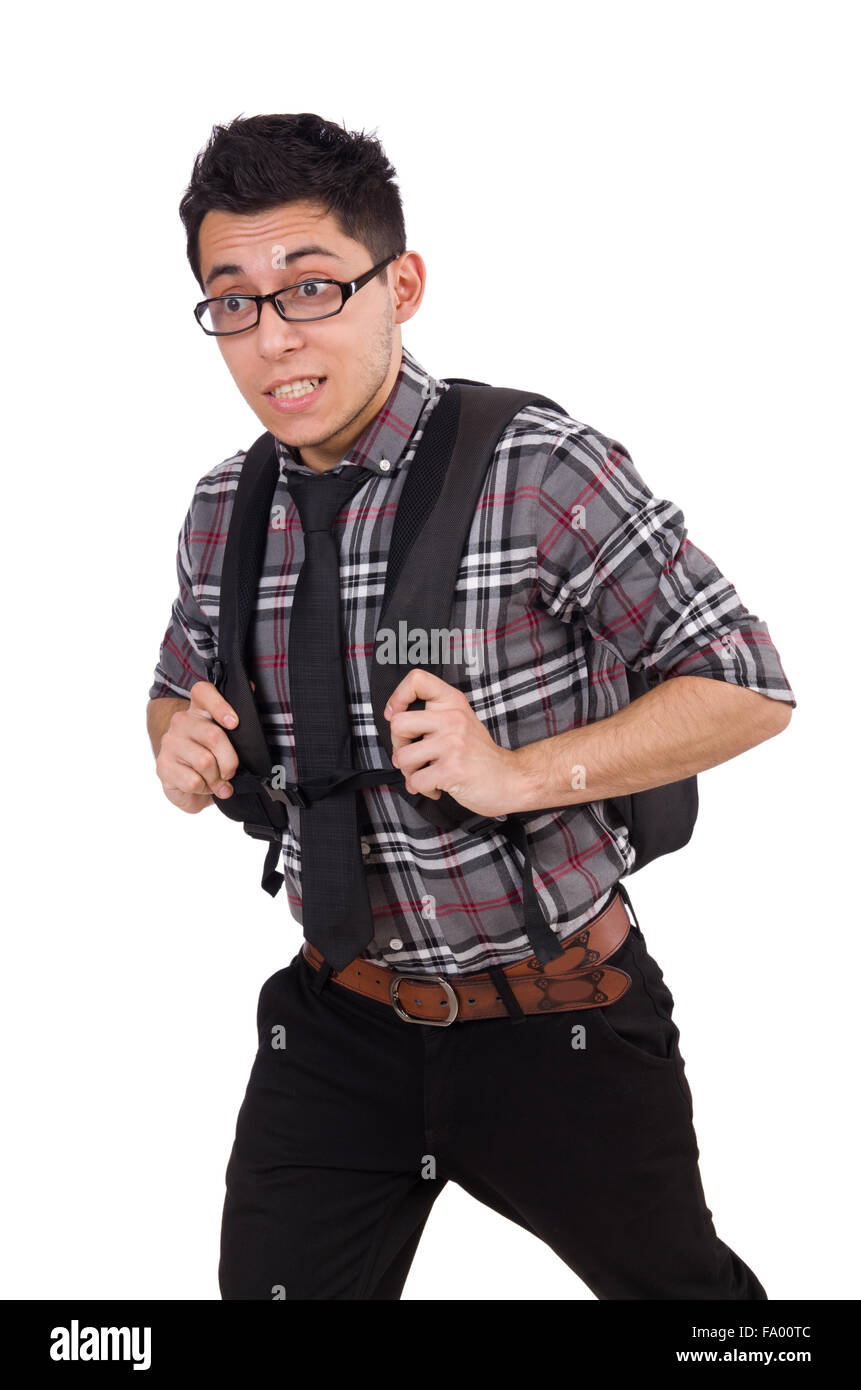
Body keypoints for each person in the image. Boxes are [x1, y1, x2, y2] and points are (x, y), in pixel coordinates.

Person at [146, 112, 796, 1300]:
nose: (270, 336)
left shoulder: (535, 466)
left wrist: (521, 773)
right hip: (336, 1024)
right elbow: (171, 686)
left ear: (402, 283)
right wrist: (175, 748)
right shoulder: (222, 509)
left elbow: (747, 681)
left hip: (563, 1018)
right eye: (230, 300)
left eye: (311, 288)